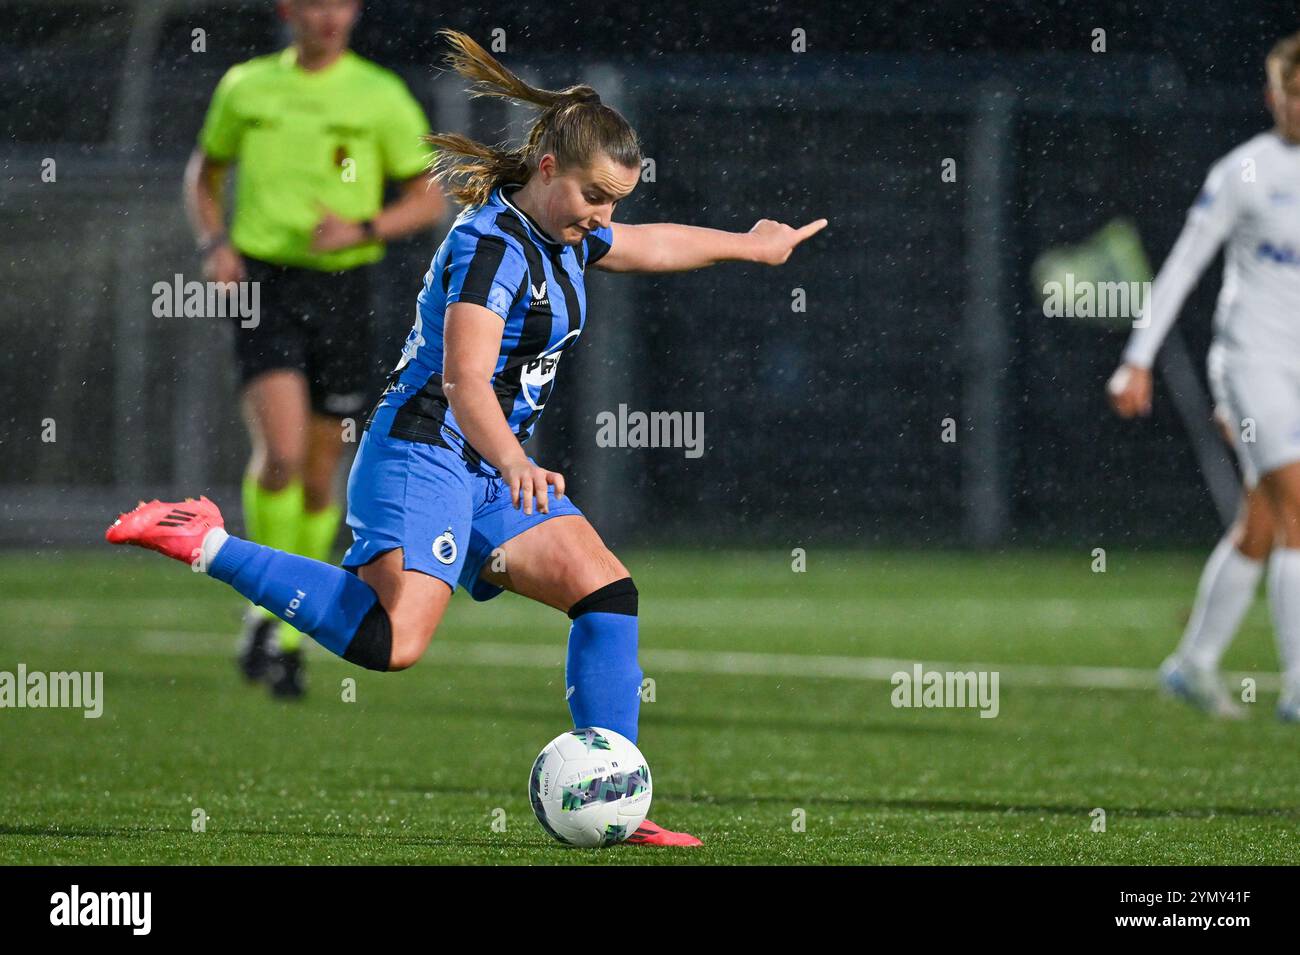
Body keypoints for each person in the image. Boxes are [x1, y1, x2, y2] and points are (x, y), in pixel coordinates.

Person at [111, 29, 827, 846]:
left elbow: (649, 243)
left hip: (485, 468)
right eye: (596, 193)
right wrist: (517, 458)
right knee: (393, 642)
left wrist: (751, 245)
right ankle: (206, 540)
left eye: (616, 200)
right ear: (549, 169)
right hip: (425, 455)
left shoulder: (566, 233)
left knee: (606, 595)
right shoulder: (492, 248)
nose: (605, 215)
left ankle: (613, 793)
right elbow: (462, 379)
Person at [184, 0, 446, 698]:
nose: (329, 17)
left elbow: (429, 196)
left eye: (340, 4)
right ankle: (264, 604)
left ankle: (285, 629)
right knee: (285, 451)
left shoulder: (378, 93)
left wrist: (364, 223)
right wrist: (215, 245)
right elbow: (204, 176)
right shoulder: (247, 86)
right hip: (264, 286)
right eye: (314, 4)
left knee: (320, 473)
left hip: (344, 291)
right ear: (286, 10)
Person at [1107, 31, 1300, 721]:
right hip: (1250, 362)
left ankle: (1192, 663)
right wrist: (1137, 357)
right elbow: (1184, 265)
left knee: (1263, 520)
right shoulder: (1243, 173)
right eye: (1291, 96)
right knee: (1299, 510)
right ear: (1271, 96)